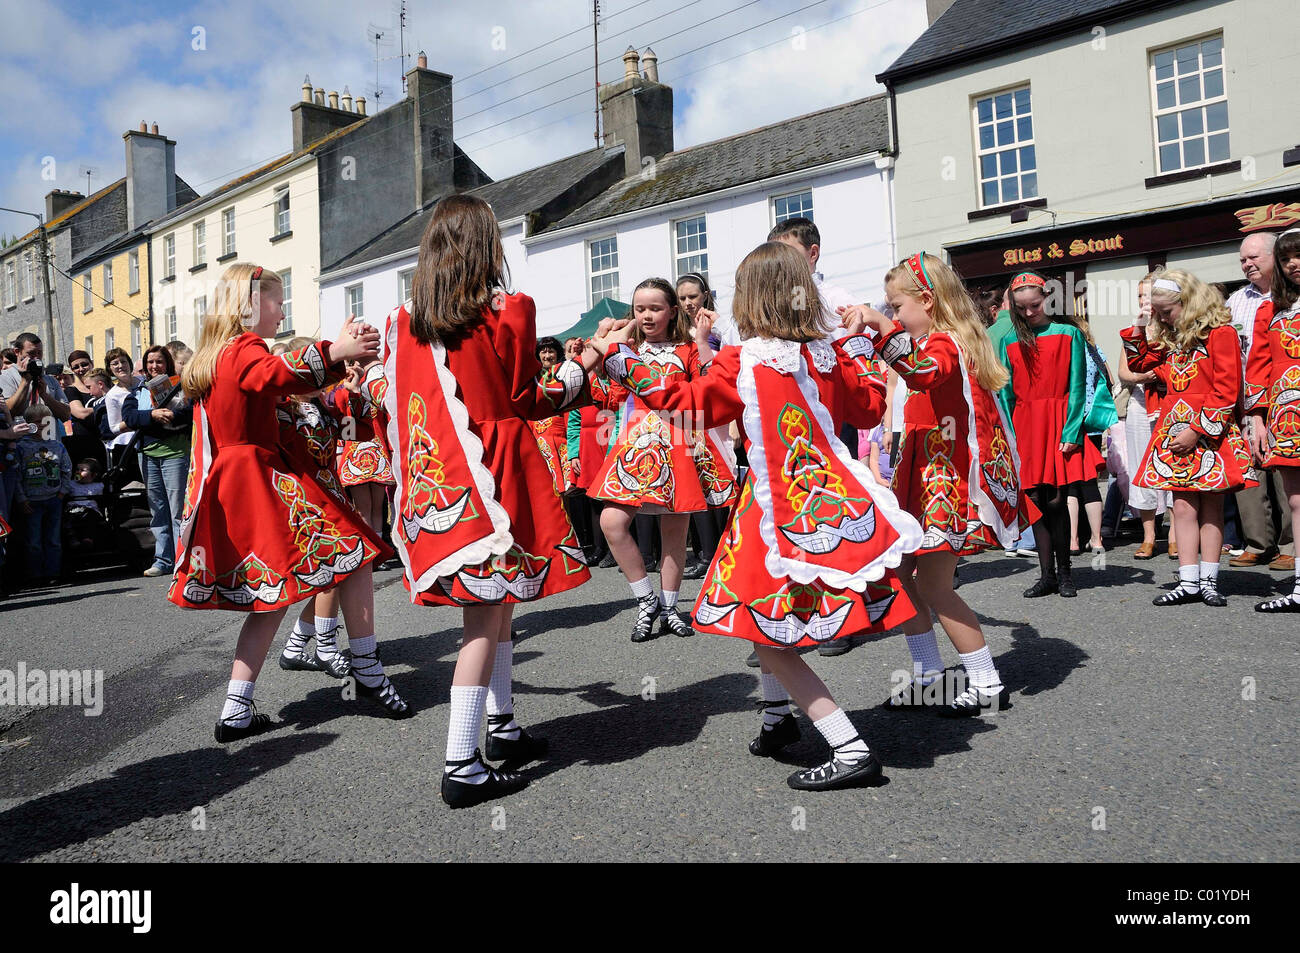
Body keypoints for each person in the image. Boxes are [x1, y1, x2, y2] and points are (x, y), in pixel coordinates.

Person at [590, 241, 921, 789]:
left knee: (768, 631)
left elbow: (685, 405)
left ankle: (849, 744)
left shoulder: (740, 359)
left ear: (750, 298)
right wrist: (863, 340)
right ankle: (776, 720)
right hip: (827, 502)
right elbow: (867, 407)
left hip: (773, 508)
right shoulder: (825, 353)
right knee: (759, 613)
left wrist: (617, 357)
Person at [385, 194, 600, 809]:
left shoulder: (409, 320)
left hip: (449, 478)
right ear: (487, 246)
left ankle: (502, 728)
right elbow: (530, 398)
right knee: (484, 620)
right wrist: (587, 360)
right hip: (498, 471)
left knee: (500, 607)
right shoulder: (509, 310)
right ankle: (461, 762)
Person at [169, 262, 409, 744]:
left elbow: (291, 391)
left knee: (271, 598)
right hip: (260, 479)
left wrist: (335, 354)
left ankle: (237, 707)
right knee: (355, 556)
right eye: (277, 301)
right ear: (250, 304)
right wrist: (337, 352)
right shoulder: (244, 349)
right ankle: (364, 670)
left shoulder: (221, 354)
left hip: (244, 479)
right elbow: (281, 372)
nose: (283, 310)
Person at [843, 253, 1035, 714]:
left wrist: (878, 326)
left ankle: (986, 681)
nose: (892, 314)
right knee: (901, 576)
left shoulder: (945, 343)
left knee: (932, 585)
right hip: (925, 477)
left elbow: (924, 373)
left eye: (896, 305)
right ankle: (931, 676)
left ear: (926, 300)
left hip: (946, 482)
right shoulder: (933, 339)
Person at [588, 277, 738, 642]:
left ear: (672, 311)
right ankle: (646, 600)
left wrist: (703, 341)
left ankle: (670, 607)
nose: (647, 316)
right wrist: (599, 346)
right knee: (612, 521)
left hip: (681, 443)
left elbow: (711, 386)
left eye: (655, 308)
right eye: (640, 309)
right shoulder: (626, 348)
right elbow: (605, 396)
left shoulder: (687, 349)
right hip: (637, 443)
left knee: (675, 529)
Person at [1122, 270, 1254, 607]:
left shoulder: (1220, 334)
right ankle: (1188, 581)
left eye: (1168, 311)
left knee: (1211, 507)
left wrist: (1197, 431)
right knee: (1181, 507)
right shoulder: (1172, 338)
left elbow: (1226, 389)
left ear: (1189, 302)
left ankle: (1208, 580)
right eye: (1160, 312)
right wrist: (1139, 328)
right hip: (1175, 432)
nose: (1163, 318)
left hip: (1206, 431)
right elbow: (1139, 363)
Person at [998, 271, 1105, 598]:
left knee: (1058, 499)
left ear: (1048, 299)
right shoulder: (1009, 341)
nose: (1030, 313)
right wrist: (1010, 438)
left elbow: (1078, 386)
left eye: (1035, 305)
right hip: (1026, 424)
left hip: (1060, 422)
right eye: (1023, 308)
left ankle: (1065, 573)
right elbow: (1005, 394)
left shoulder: (1069, 334)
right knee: (1033, 499)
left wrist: (1072, 429)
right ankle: (1046, 575)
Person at [1226, 233, 1294, 573]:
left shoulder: (1287, 298)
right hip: (1242, 398)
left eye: (1253, 257)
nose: (1247, 264)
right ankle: (1257, 542)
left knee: (1285, 472)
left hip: (1284, 398)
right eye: (1242, 260)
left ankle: (1290, 545)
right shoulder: (1236, 300)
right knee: (1249, 472)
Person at [1246, 228, 1300, 611]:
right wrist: (1258, 418)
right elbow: (1259, 366)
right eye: (1285, 258)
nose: (1292, 263)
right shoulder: (1272, 308)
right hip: (1286, 414)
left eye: (1298, 255)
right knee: (1297, 502)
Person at [676, 271, 734, 580]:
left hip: (712, 412)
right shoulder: (676, 329)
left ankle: (719, 551)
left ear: (705, 296)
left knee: (717, 481)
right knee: (694, 482)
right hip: (685, 413)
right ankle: (703, 552)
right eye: (682, 297)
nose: (687, 302)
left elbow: (723, 368)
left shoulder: (718, 325)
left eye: (692, 297)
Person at [122, 345, 191, 577]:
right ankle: (163, 560)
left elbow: (191, 413)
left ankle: (183, 559)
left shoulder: (182, 386)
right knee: (157, 509)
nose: (154, 366)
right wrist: (151, 415)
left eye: (159, 361)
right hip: (148, 454)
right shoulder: (138, 389)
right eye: (150, 362)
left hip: (175, 454)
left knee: (177, 509)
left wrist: (173, 415)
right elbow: (129, 417)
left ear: (167, 363)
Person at [1116, 273, 1168, 558]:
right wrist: (1140, 375)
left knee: (1172, 464)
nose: (1144, 301)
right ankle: (1149, 535)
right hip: (1140, 401)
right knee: (1140, 465)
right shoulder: (1133, 330)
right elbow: (1124, 370)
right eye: (1140, 295)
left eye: (1148, 294)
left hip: (1168, 399)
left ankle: (1174, 534)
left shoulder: (1173, 328)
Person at [1067, 313, 1120, 554]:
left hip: (1071, 423)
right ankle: (1096, 539)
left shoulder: (1068, 351)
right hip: (1094, 424)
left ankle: (1073, 539)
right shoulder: (1095, 349)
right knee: (1090, 481)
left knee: (1070, 484)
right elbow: (1109, 381)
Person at [334, 352, 394, 535]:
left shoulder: (378, 388)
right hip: (356, 455)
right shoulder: (343, 392)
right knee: (362, 509)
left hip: (377, 452)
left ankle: (380, 550)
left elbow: (386, 425)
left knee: (377, 509)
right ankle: (373, 553)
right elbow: (346, 431)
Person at [14, 403, 72, 584]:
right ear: (27, 423)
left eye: (44, 421)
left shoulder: (56, 446)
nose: (40, 425)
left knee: (53, 539)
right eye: (35, 422)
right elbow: (15, 475)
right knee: (34, 541)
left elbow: (66, 469)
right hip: (31, 500)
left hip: (54, 498)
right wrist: (22, 498)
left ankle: (52, 573)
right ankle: (35, 575)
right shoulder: (20, 447)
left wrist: (62, 492)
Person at [1, 333, 70, 422]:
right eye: (31, 353)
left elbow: (66, 416)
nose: (37, 357)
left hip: (48, 435)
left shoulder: (50, 380)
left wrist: (45, 396)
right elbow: (8, 412)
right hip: (21, 435)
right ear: (17, 352)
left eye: (39, 353)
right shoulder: (5, 376)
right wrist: (25, 382)